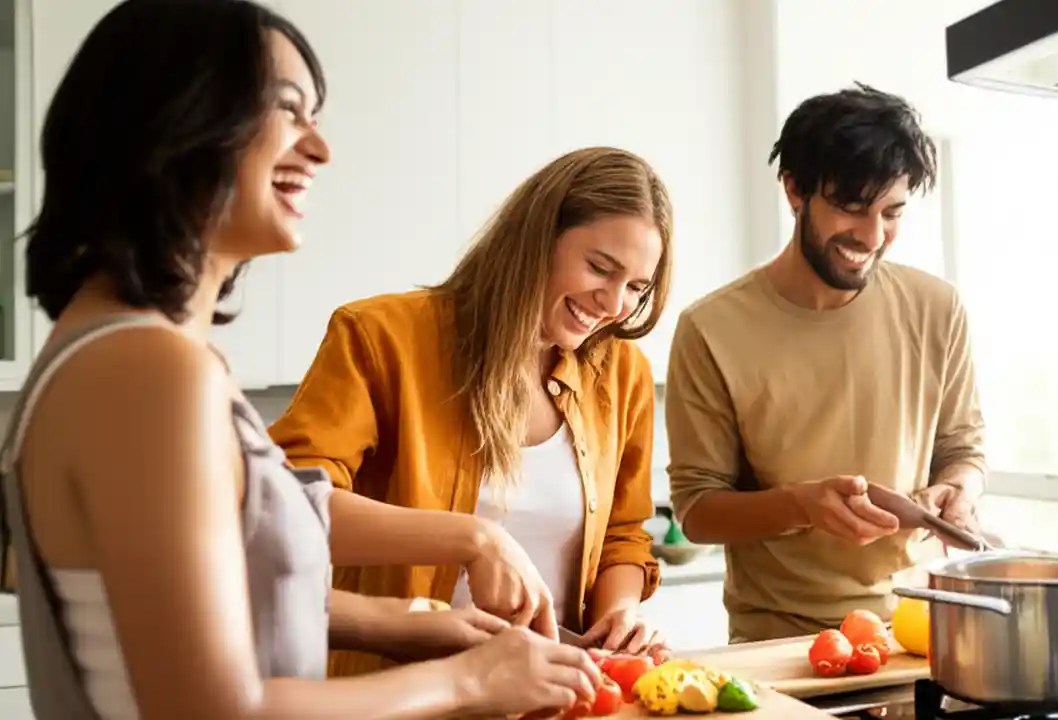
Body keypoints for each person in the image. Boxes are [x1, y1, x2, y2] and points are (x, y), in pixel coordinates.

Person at [0, 1, 601, 718]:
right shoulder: (151, 373)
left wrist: (401, 624)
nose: (320, 148)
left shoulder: (130, 354)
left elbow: (194, 592)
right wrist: (471, 681)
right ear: (177, 122)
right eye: (288, 111)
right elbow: (213, 711)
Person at [269, 145, 675, 677]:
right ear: (537, 239)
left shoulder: (622, 374)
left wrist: (620, 614)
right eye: (600, 268)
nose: (614, 304)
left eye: (636, 289)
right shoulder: (381, 338)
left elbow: (624, 532)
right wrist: (474, 539)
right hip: (397, 695)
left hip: (552, 693)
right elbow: (286, 510)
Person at [664, 83, 988, 643]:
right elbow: (696, 510)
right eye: (850, 208)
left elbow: (962, 450)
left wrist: (960, 489)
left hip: (916, 630)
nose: (871, 236)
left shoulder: (937, 308)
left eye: (891, 212)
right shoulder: (711, 329)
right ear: (795, 190)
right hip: (780, 644)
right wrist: (800, 506)